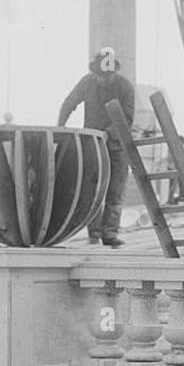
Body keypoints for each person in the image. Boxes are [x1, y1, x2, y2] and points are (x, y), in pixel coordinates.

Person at [58, 51, 136, 246]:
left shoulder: (125, 86)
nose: (102, 80)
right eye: (100, 75)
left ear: (113, 73)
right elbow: (69, 103)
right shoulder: (87, 82)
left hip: (117, 147)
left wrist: (109, 132)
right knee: (92, 191)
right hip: (92, 146)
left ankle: (110, 234)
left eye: (107, 76)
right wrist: (60, 126)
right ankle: (93, 232)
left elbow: (127, 117)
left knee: (115, 191)